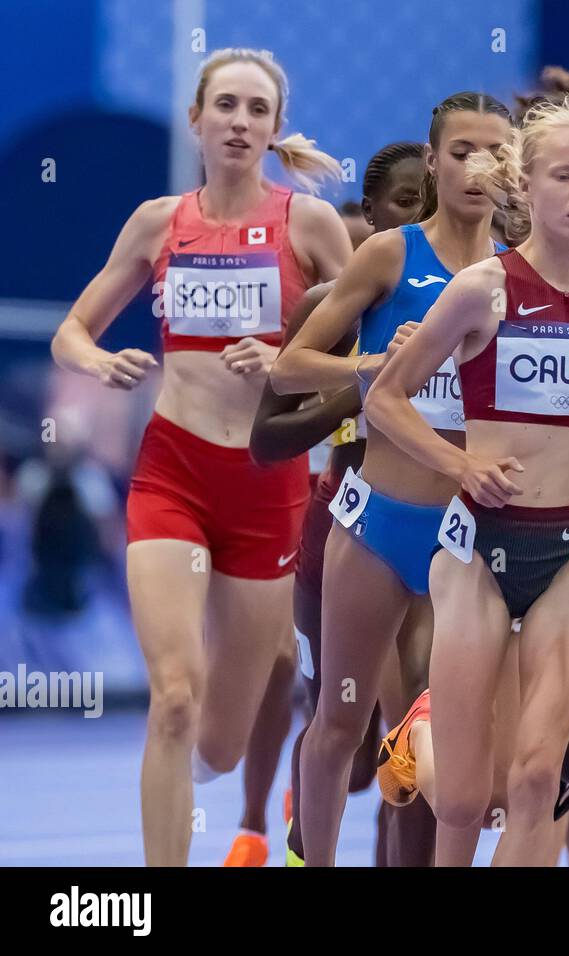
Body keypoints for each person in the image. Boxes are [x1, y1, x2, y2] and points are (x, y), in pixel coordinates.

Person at [50, 47, 351, 865]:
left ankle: (232, 764)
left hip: (267, 483)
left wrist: (290, 359)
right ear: (196, 120)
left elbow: (371, 350)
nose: (240, 122)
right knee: (173, 703)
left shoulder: (310, 226)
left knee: (216, 744)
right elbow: (70, 330)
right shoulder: (158, 221)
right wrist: (99, 362)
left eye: (257, 109)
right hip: (172, 473)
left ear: (275, 128)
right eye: (226, 105)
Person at [364, 97, 569, 866]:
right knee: (465, 800)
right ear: (525, 185)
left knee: (538, 779)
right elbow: (385, 400)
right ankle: (416, 737)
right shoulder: (481, 290)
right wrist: (461, 463)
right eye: (564, 175)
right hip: (476, 556)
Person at [270, 92, 514, 866]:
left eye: (494, 153)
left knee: (452, 735)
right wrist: (377, 365)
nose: (479, 168)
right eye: (463, 151)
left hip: (468, 536)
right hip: (377, 524)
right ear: (434, 159)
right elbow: (287, 369)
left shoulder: (522, 270)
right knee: (339, 720)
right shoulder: (390, 254)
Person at [229, 141, 427, 867]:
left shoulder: (464, 299)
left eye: (428, 201)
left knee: (415, 741)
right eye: (405, 204)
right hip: (341, 529)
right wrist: (364, 385)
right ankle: (296, 851)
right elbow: (267, 443)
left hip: (439, 532)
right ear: (368, 218)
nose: (422, 217)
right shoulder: (331, 308)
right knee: (340, 738)